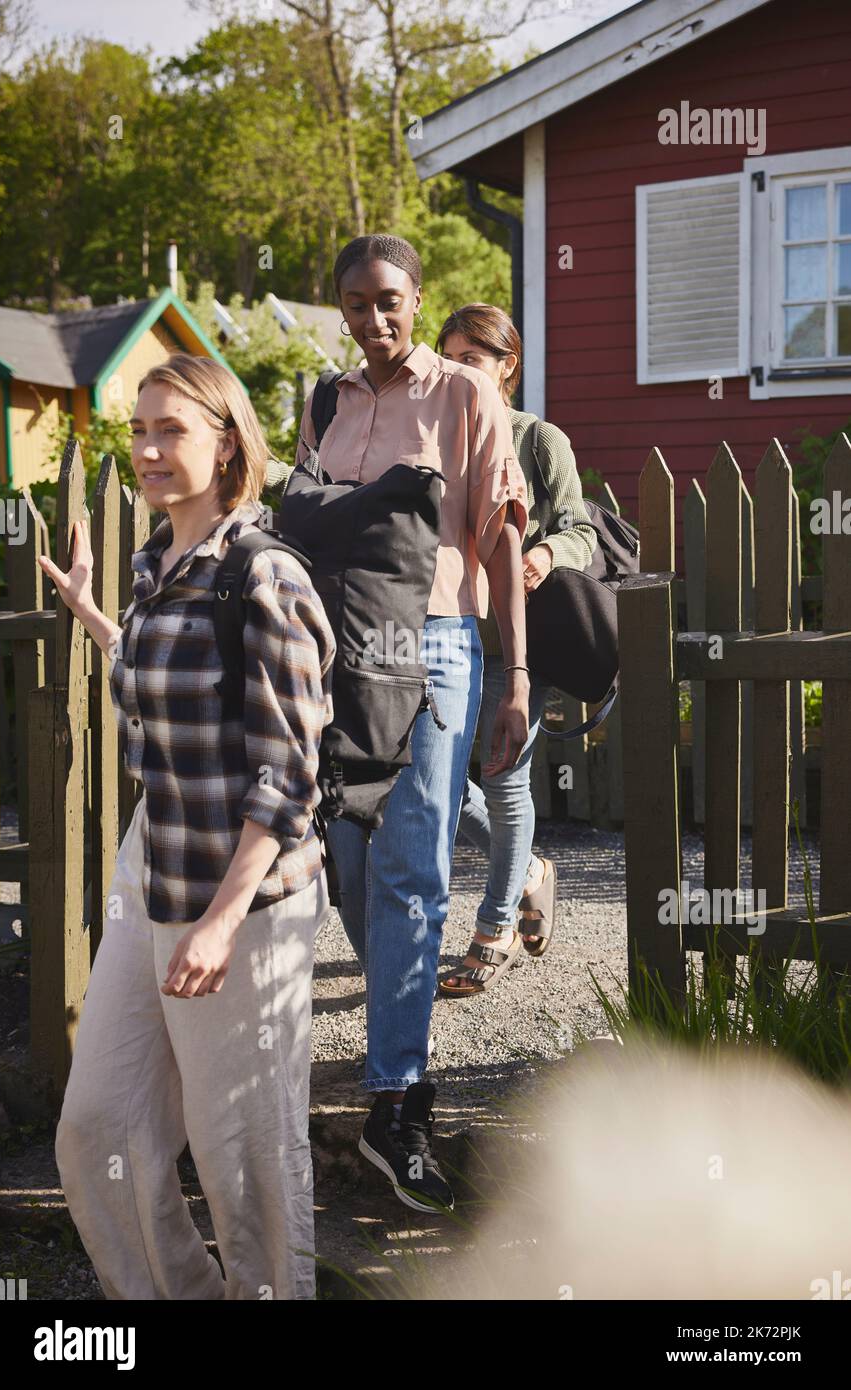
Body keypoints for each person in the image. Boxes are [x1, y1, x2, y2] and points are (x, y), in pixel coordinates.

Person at [46, 353, 335, 1300]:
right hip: (153, 864)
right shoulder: (156, 564)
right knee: (97, 1126)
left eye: (172, 429)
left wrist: (221, 917)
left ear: (227, 439)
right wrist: (94, 612)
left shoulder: (265, 575)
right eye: (138, 430)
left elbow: (289, 770)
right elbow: (161, 673)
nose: (149, 448)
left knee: (242, 1156)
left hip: (243, 896)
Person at [294, 235, 529, 1213]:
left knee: (409, 870)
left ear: (417, 298)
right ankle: (399, 1030)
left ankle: (399, 1104)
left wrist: (513, 675)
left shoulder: (467, 398)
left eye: (389, 300)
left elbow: (502, 536)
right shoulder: (330, 404)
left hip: (432, 643)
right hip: (343, 647)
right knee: (345, 856)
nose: (374, 319)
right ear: (342, 309)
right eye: (355, 304)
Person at [436, 304, 596, 997]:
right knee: (434, 781)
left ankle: (493, 923)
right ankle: (529, 871)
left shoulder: (539, 439)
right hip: (443, 635)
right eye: (447, 358)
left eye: (470, 358)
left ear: (506, 366)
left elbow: (582, 532)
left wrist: (546, 553)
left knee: (503, 781)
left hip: (513, 644)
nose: (455, 370)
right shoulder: (434, 438)